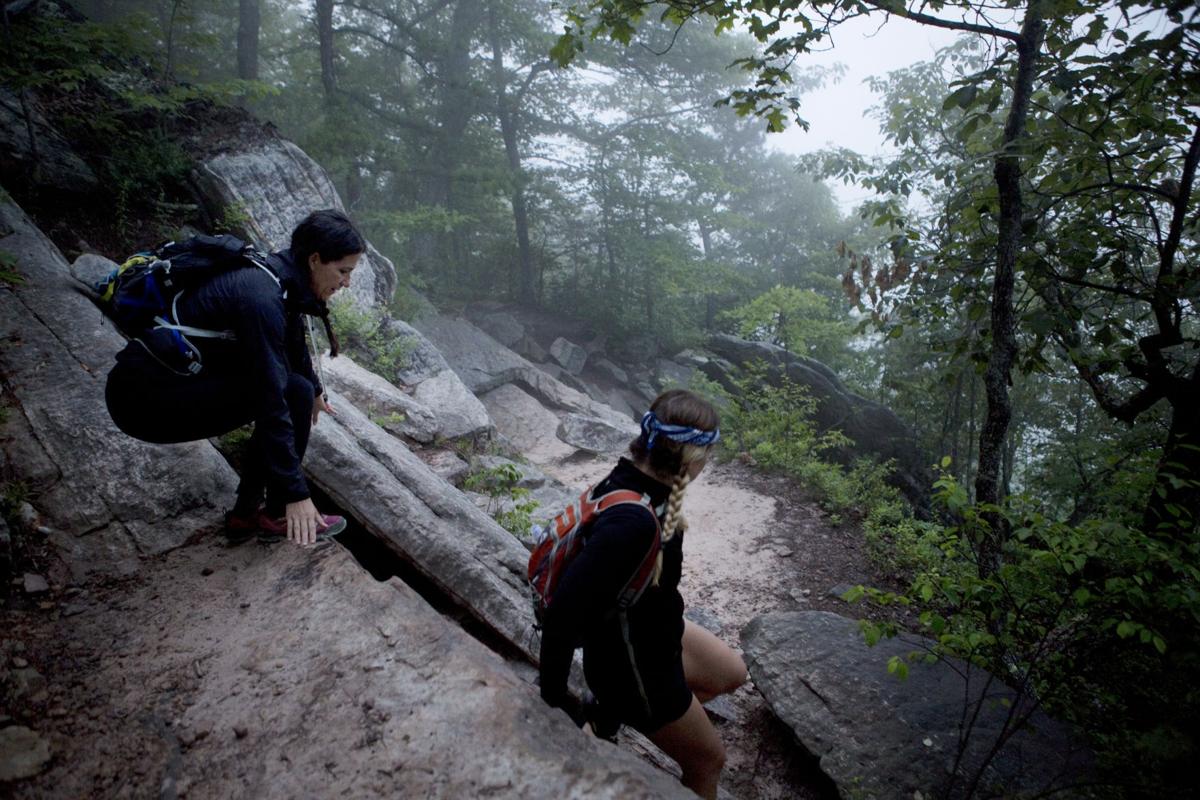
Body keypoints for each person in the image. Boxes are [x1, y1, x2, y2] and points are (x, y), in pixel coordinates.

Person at [105, 209, 363, 546]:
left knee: (300, 390)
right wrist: (295, 492)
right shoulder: (259, 297)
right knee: (290, 393)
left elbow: (292, 334)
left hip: (166, 385)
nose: (346, 282)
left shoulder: (275, 276)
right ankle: (277, 513)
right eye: (343, 271)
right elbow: (271, 397)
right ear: (315, 260)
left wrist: (316, 390)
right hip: (142, 403)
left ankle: (248, 515)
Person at [538, 388, 749, 799]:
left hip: (657, 628)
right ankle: (621, 710)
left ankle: (610, 716)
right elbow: (563, 616)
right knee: (709, 761)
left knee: (732, 674)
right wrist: (553, 698)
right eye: (708, 454)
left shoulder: (636, 477)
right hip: (634, 663)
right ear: (691, 458)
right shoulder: (631, 524)